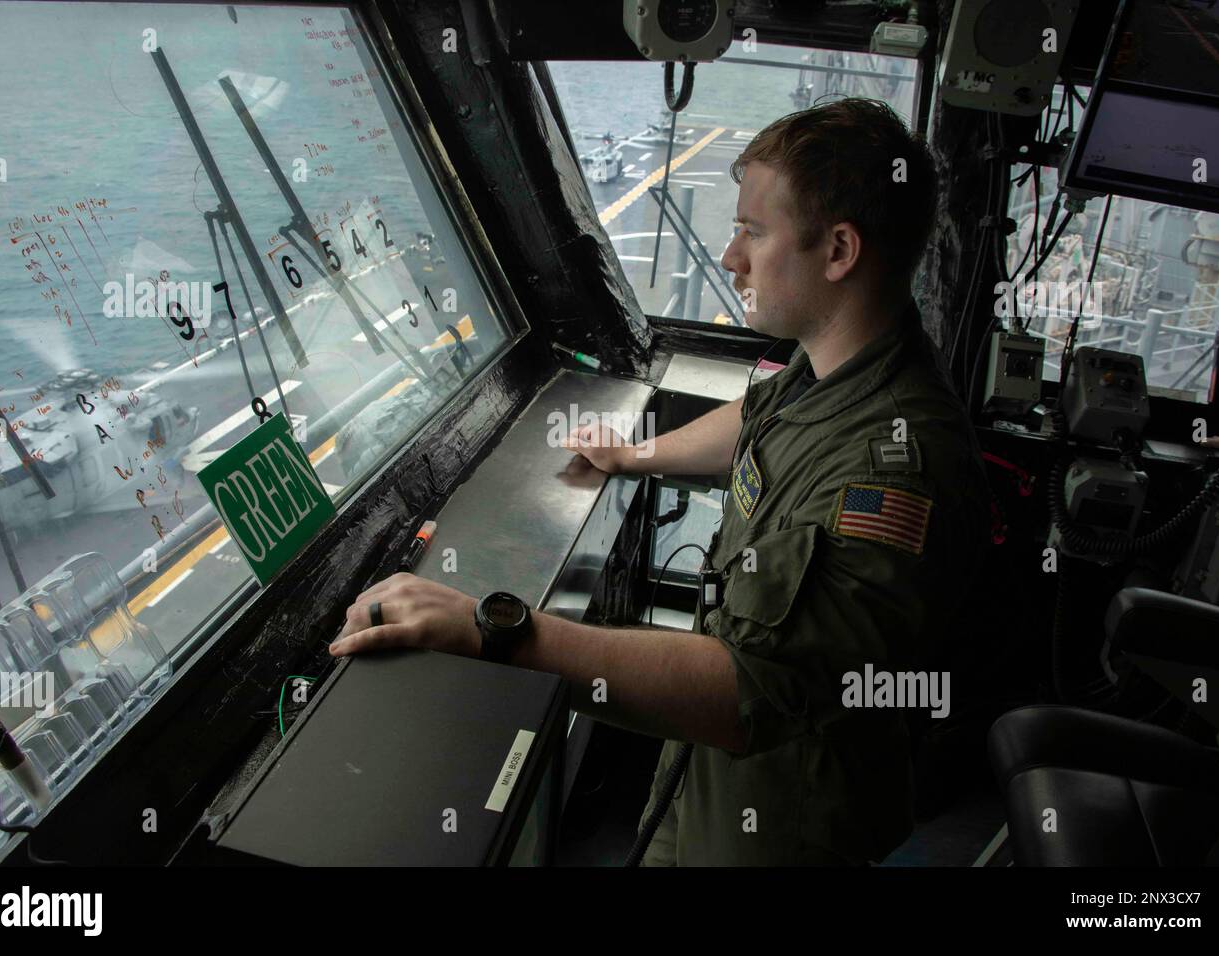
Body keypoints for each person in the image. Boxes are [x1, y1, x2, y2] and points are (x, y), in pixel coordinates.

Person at [329, 97, 992, 865]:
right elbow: (759, 417)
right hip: (708, 776)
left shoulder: (895, 472)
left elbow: (744, 693)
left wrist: (495, 629)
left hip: (788, 816)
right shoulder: (835, 366)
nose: (732, 254)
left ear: (839, 249)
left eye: (753, 230)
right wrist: (637, 454)